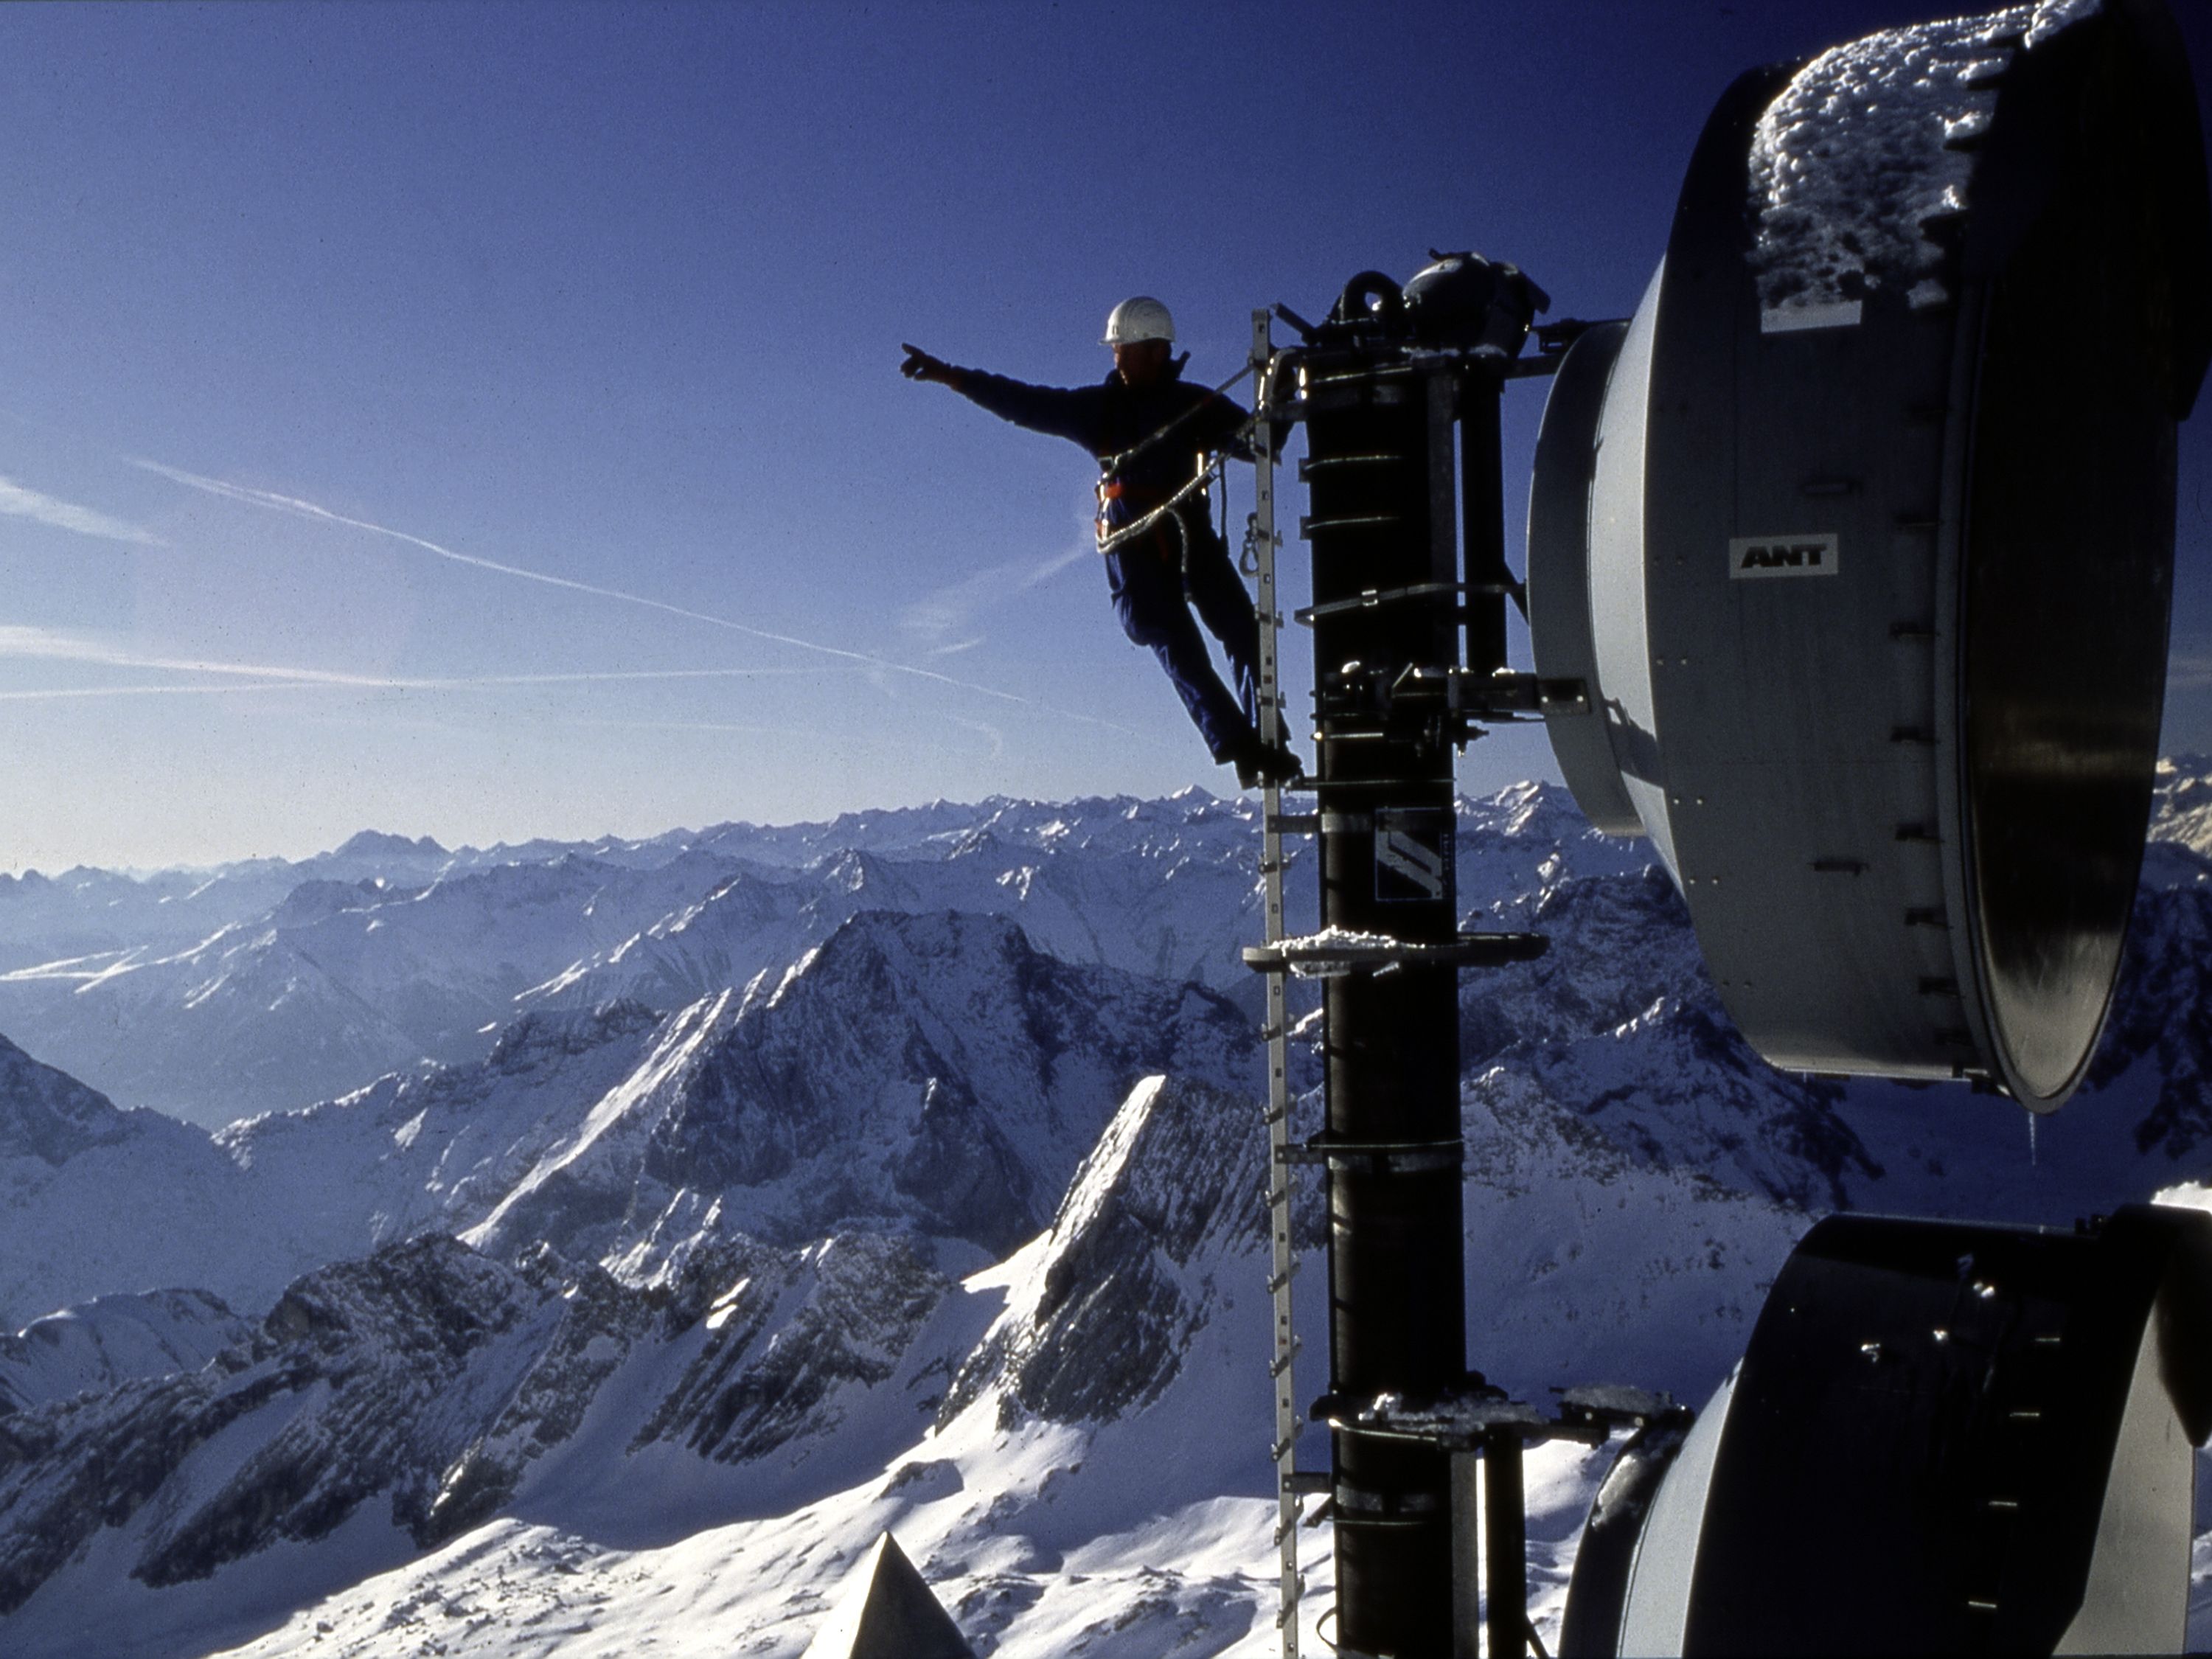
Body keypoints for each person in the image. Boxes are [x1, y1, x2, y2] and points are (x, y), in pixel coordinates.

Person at [900, 296, 1302, 789]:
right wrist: (952, 376)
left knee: (1240, 631)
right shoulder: (1108, 409)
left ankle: (1266, 740)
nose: (1114, 357)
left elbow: (1259, 443)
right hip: (1140, 544)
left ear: (1153, 351)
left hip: (1183, 534)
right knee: (1176, 640)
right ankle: (1245, 749)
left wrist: (1283, 391)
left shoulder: (1189, 405)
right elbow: (1024, 403)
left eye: (1122, 348)